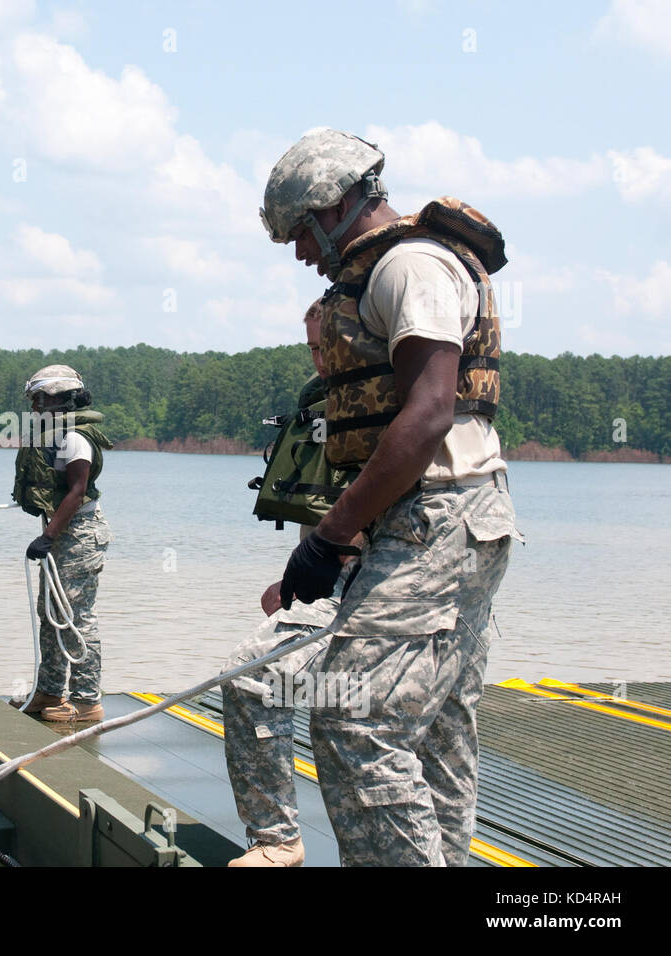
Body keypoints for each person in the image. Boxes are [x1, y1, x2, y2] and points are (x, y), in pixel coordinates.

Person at [253, 128, 521, 866]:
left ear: (338, 203)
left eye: (303, 232)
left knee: (355, 720)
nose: (303, 253)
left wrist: (330, 535)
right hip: (443, 519)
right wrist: (352, 539)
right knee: (434, 724)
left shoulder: (409, 267)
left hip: (440, 514)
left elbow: (429, 413)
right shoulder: (389, 269)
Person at [222, 300, 342, 867]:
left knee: (252, 675)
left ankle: (277, 840)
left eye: (329, 347)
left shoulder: (378, 410)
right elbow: (328, 524)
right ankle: (278, 839)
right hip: (333, 583)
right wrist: (296, 576)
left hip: (381, 593)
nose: (320, 361)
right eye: (313, 348)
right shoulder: (325, 408)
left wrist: (319, 574)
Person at [11, 365, 113, 723]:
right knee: (50, 614)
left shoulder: (75, 438)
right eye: (34, 399)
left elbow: (76, 492)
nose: (36, 406)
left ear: (60, 398)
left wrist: (47, 536)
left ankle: (86, 700)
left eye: (41, 398)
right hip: (60, 533)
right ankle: (50, 690)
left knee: (75, 617)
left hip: (79, 535)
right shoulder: (54, 434)